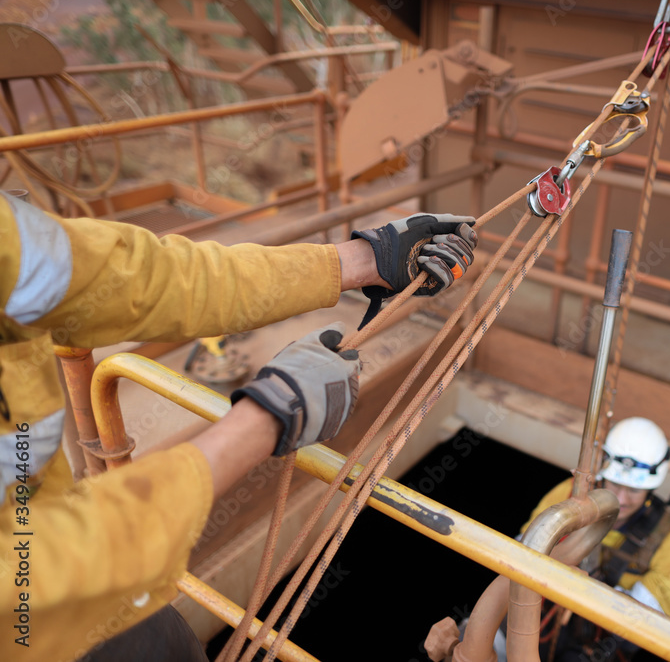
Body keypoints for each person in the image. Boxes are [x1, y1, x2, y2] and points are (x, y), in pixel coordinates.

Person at [0, 191, 478, 661]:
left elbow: (143, 277)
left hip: (116, 605)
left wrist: (362, 261)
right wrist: (265, 418)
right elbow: (27, 580)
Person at [519, 417, 670, 662]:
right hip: (535, 612)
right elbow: (521, 550)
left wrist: (583, 590)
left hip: (597, 642)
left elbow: (645, 626)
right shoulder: (571, 497)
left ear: (650, 489)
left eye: (633, 490)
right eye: (615, 483)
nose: (621, 498)